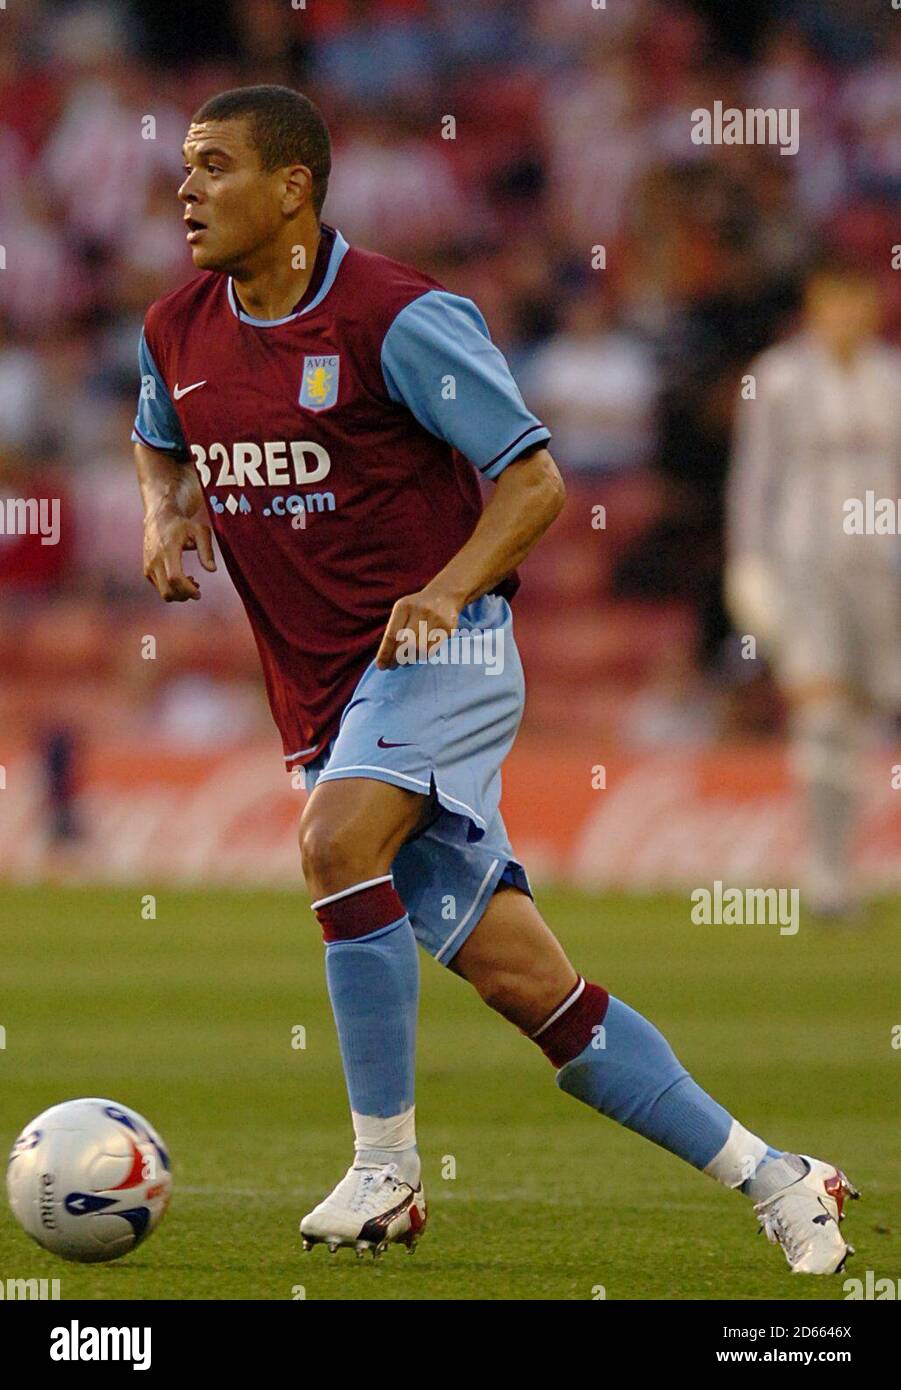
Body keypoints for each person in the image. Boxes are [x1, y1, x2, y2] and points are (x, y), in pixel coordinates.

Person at [134, 86, 856, 1272]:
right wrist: (167, 511)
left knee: (332, 844)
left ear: (293, 188)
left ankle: (387, 1168)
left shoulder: (397, 317)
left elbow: (532, 482)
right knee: (535, 991)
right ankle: (777, 1175)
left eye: (214, 166)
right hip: (326, 693)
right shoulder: (177, 326)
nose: (186, 189)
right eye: (186, 167)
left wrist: (447, 590)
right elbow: (160, 433)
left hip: (445, 655)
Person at [727, 252, 901, 917]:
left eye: (858, 302)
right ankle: (826, 878)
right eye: (834, 301)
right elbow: (752, 478)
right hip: (806, 565)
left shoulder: (890, 379)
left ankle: (852, 863)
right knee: (823, 713)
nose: (846, 316)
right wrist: (747, 562)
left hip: (881, 569)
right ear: (813, 306)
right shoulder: (776, 379)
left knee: (869, 710)